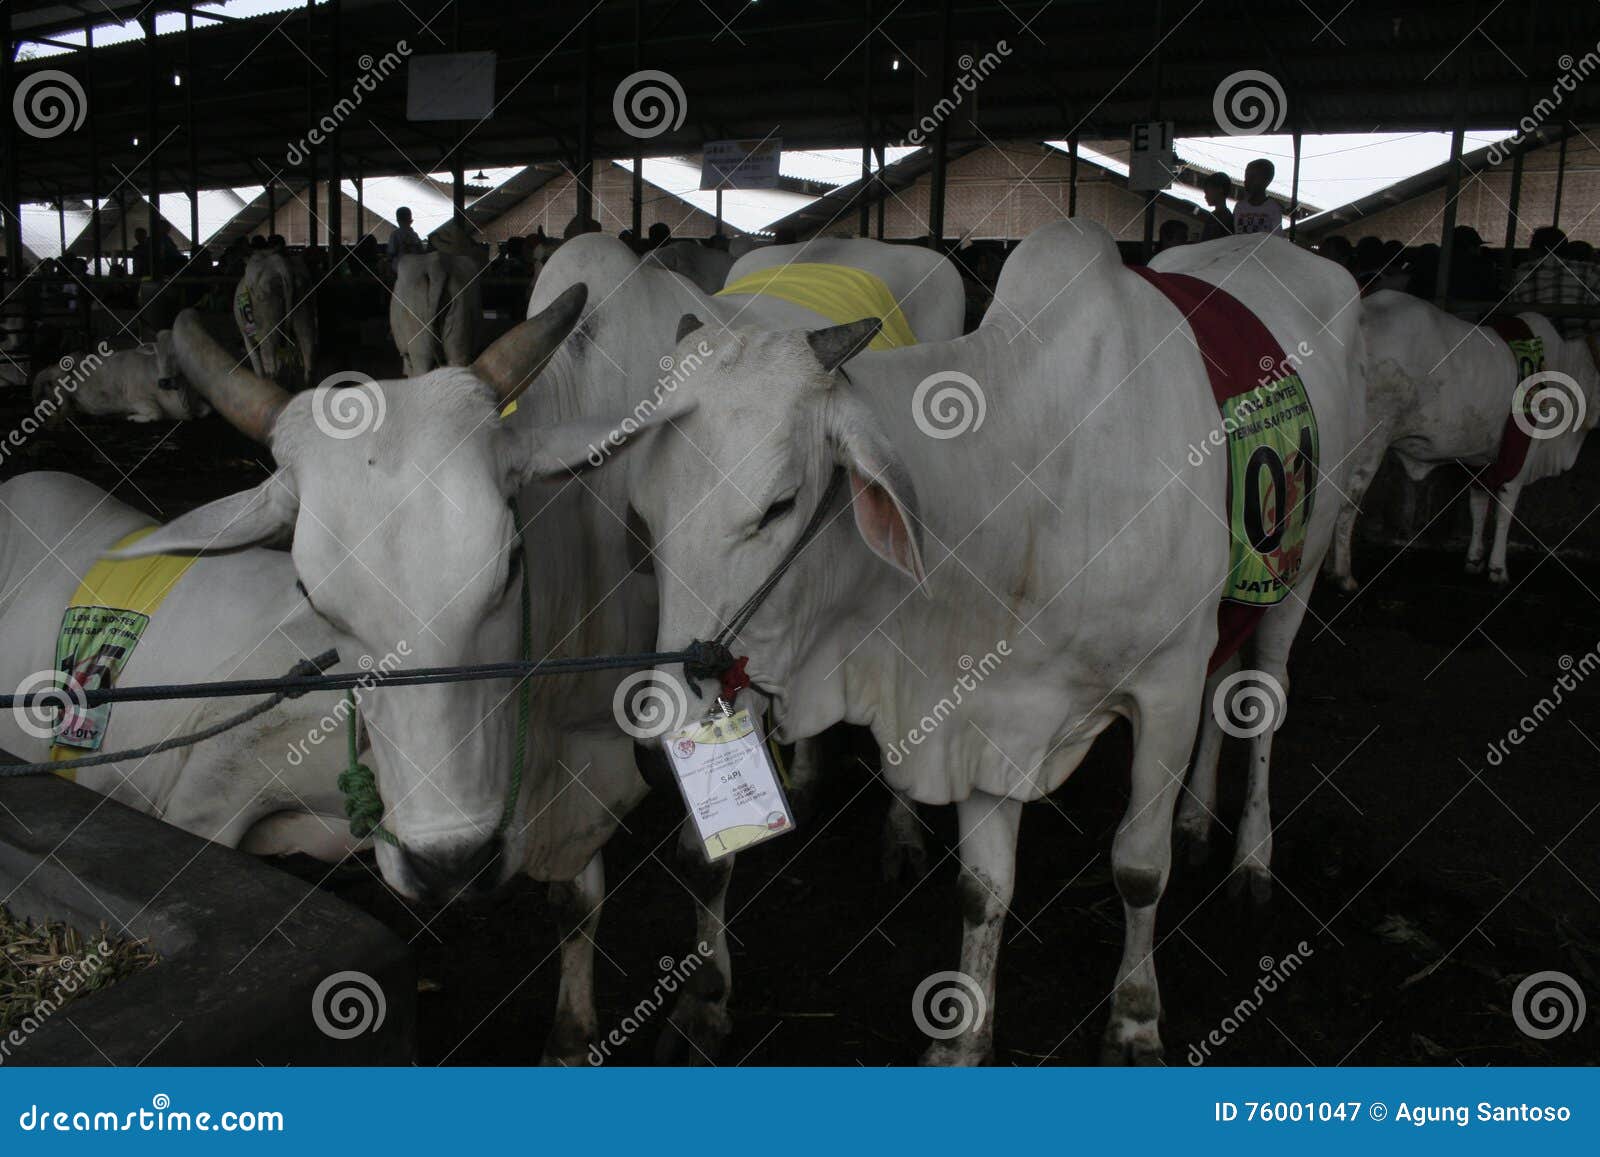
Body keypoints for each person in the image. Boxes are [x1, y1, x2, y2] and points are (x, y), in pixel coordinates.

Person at [1513, 225, 1600, 336]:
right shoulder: (1590, 271)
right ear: (1566, 249)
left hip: (1538, 345)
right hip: (1579, 344)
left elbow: (1516, 311)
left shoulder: (1522, 272)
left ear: (1534, 249)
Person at [1232, 159, 1283, 235]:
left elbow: (1276, 238)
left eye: (1252, 178)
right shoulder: (1240, 207)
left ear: (1266, 180)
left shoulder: (1273, 208)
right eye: (1246, 177)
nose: (1246, 181)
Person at [1199, 170, 1233, 241]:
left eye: (1207, 192)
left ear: (1220, 190)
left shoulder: (1225, 218)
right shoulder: (1217, 215)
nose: (1205, 196)